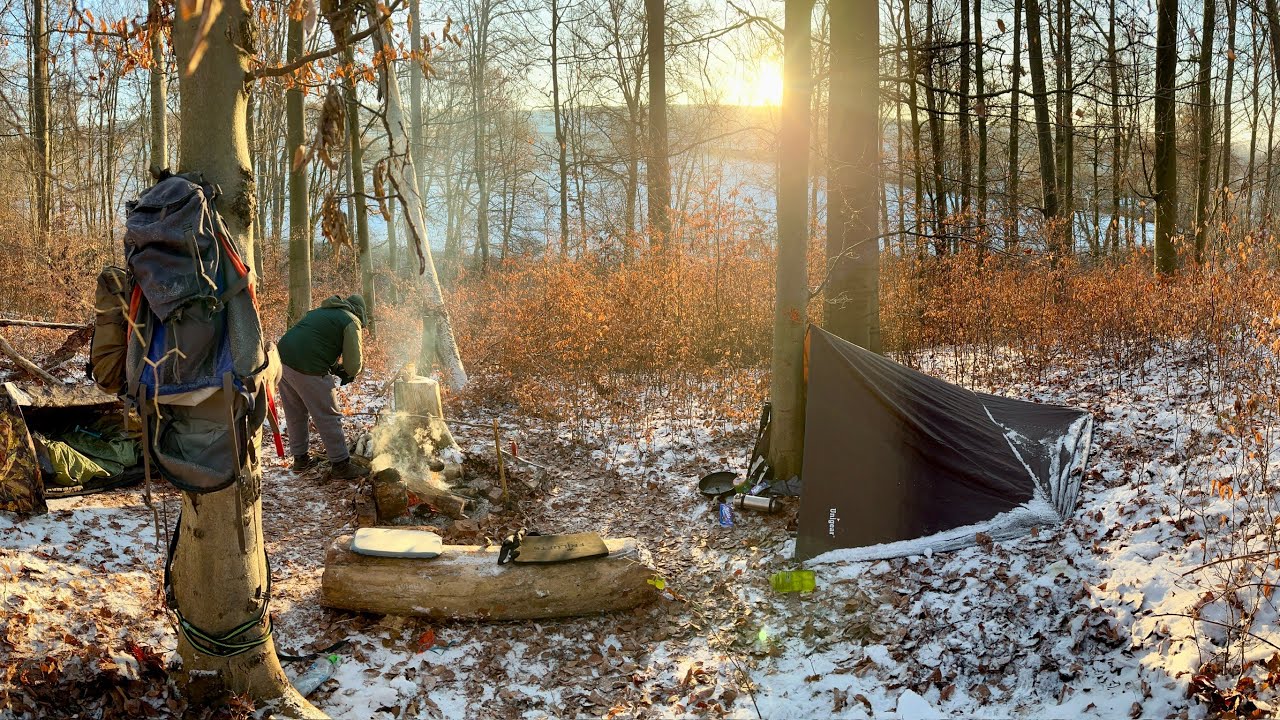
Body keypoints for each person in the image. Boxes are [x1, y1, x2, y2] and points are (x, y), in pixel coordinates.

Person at [276, 294, 368, 479]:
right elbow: (353, 365)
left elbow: (315, 343)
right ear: (359, 312)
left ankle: (300, 460)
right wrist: (348, 372)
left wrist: (336, 369)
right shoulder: (351, 320)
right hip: (308, 365)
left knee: (295, 413)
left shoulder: (322, 312)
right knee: (328, 415)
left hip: (281, 360)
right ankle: (341, 465)